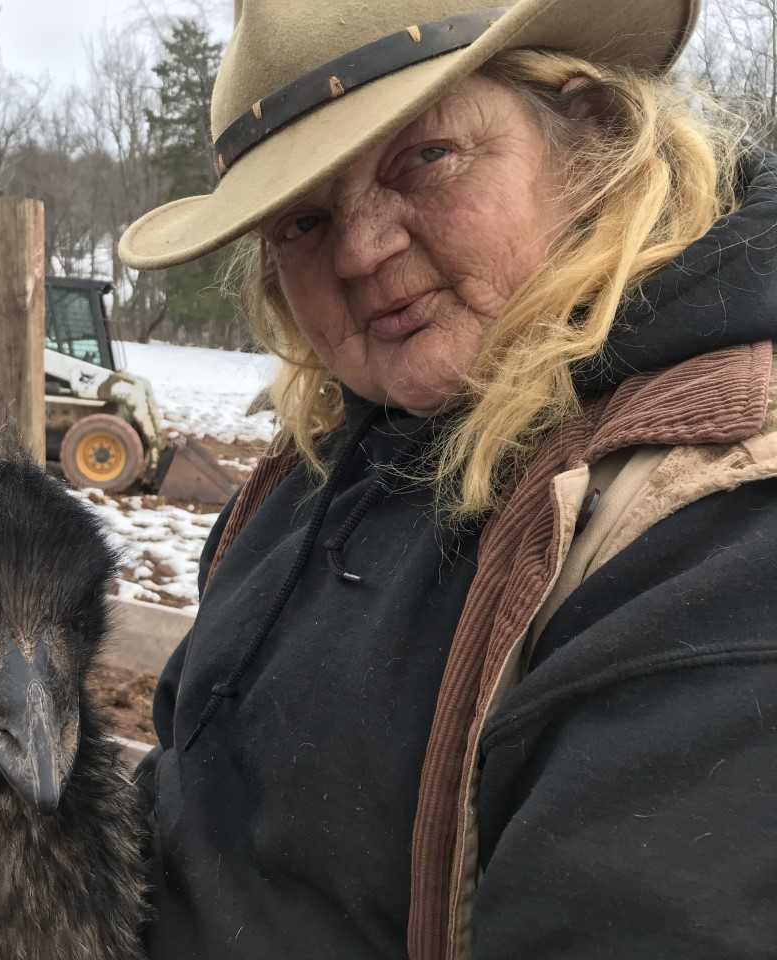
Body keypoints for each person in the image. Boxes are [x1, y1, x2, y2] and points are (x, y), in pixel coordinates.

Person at [119, 1, 777, 957]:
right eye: (304, 217)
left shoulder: (714, 525)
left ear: (589, 134)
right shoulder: (321, 458)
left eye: (423, 159)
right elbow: (188, 801)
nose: (359, 249)